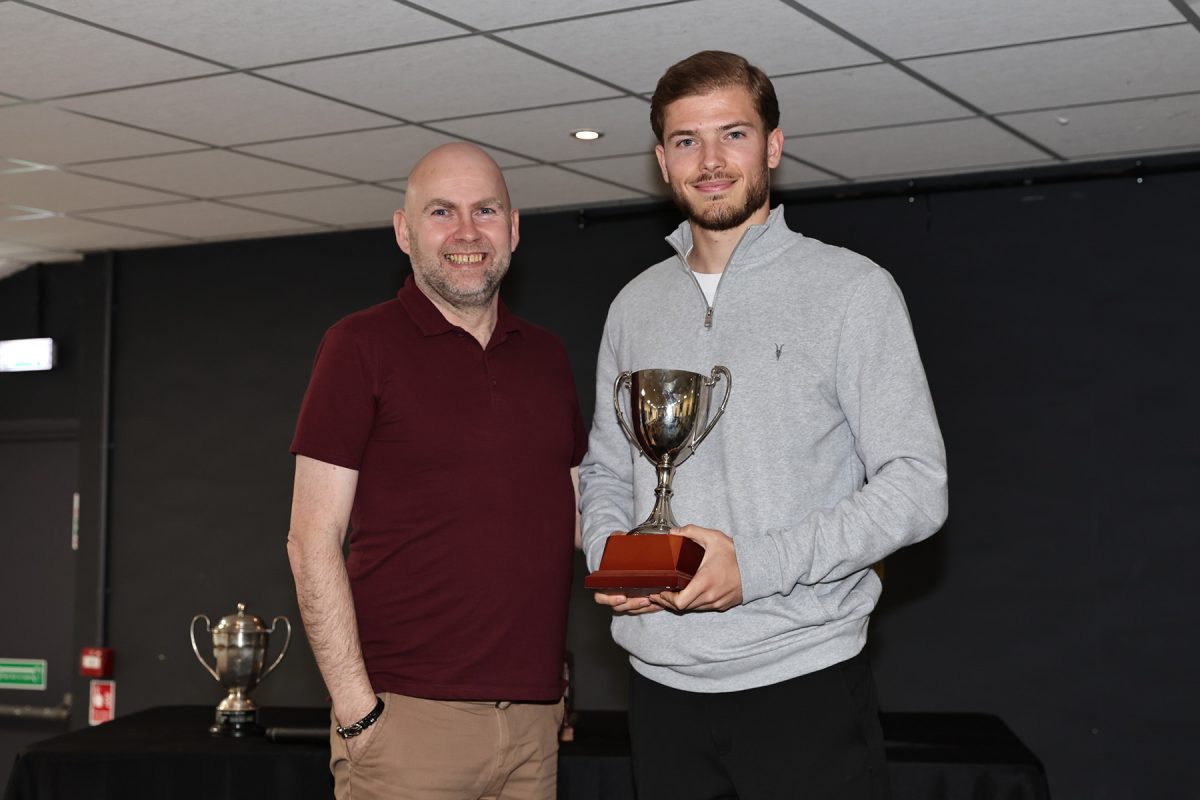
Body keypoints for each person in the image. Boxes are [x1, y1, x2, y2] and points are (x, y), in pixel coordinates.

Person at [579, 51, 949, 800]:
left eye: (734, 134)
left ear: (773, 146)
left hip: (803, 681)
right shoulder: (633, 306)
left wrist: (757, 567)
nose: (711, 161)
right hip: (659, 688)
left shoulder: (852, 290)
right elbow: (606, 469)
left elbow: (917, 488)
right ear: (662, 161)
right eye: (687, 141)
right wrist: (610, 554)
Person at [287, 142, 586, 800]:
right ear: (404, 231)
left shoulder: (548, 358)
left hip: (535, 725)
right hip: (407, 726)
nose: (467, 233)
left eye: (486, 211)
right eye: (442, 212)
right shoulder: (358, 346)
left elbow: (576, 518)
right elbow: (311, 540)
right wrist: (357, 712)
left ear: (514, 228)